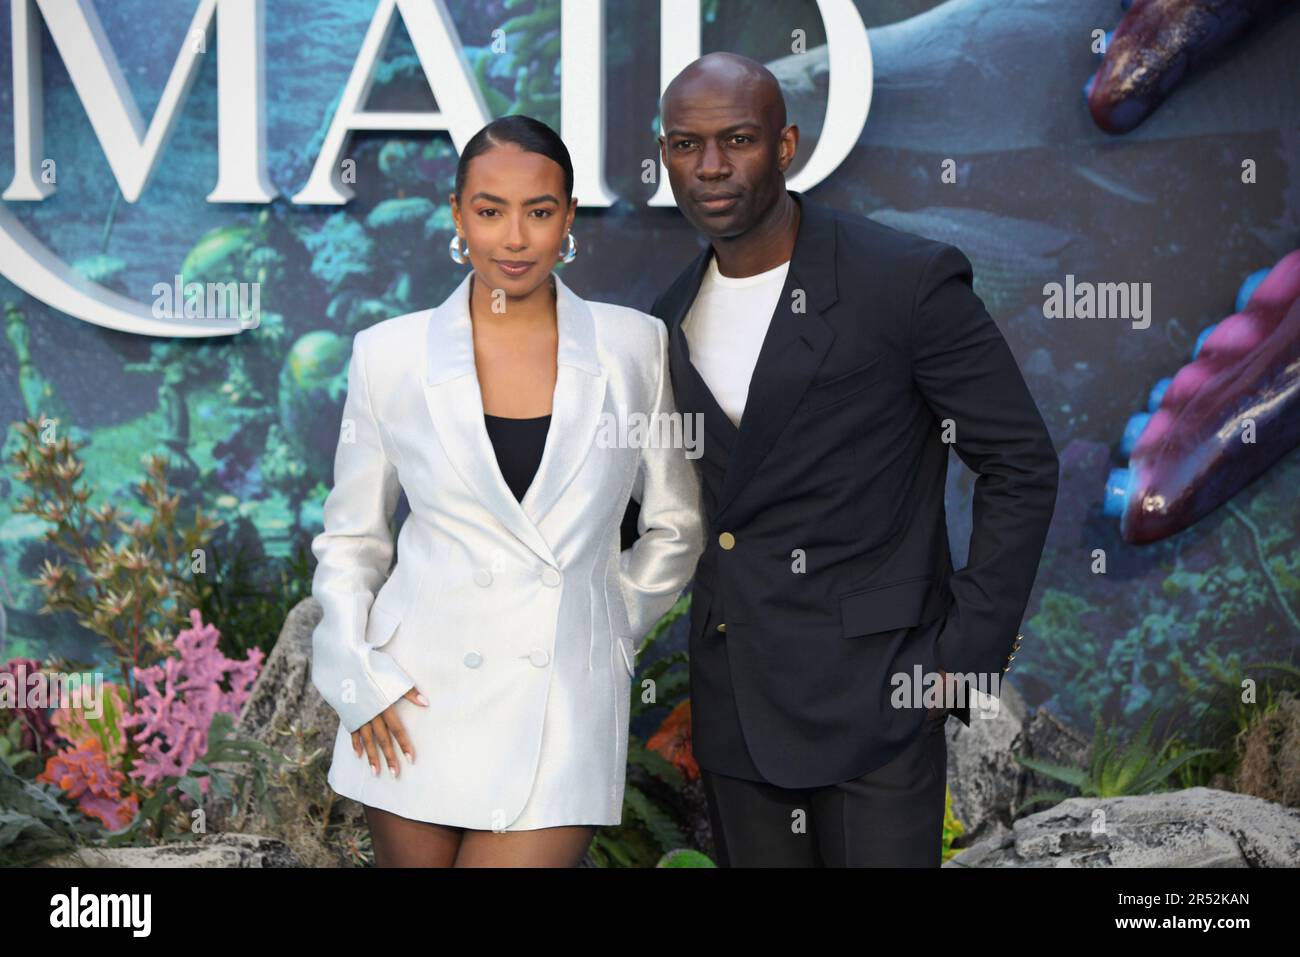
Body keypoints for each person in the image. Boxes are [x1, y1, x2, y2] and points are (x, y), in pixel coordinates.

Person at [648, 53, 1059, 866]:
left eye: (737, 139)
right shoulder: (665, 317)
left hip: (884, 698)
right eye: (686, 145)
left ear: (787, 144)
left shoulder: (901, 280)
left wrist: (960, 658)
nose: (712, 167)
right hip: (739, 711)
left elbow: (1020, 461)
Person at [309, 115, 705, 867]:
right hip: (411, 701)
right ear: (458, 216)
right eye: (490, 211)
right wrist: (357, 675)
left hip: (560, 699)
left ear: (570, 218)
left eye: (539, 210)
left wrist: (611, 625)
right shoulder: (387, 355)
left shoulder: (632, 347)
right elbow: (353, 540)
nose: (515, 238)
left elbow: (677, 524)